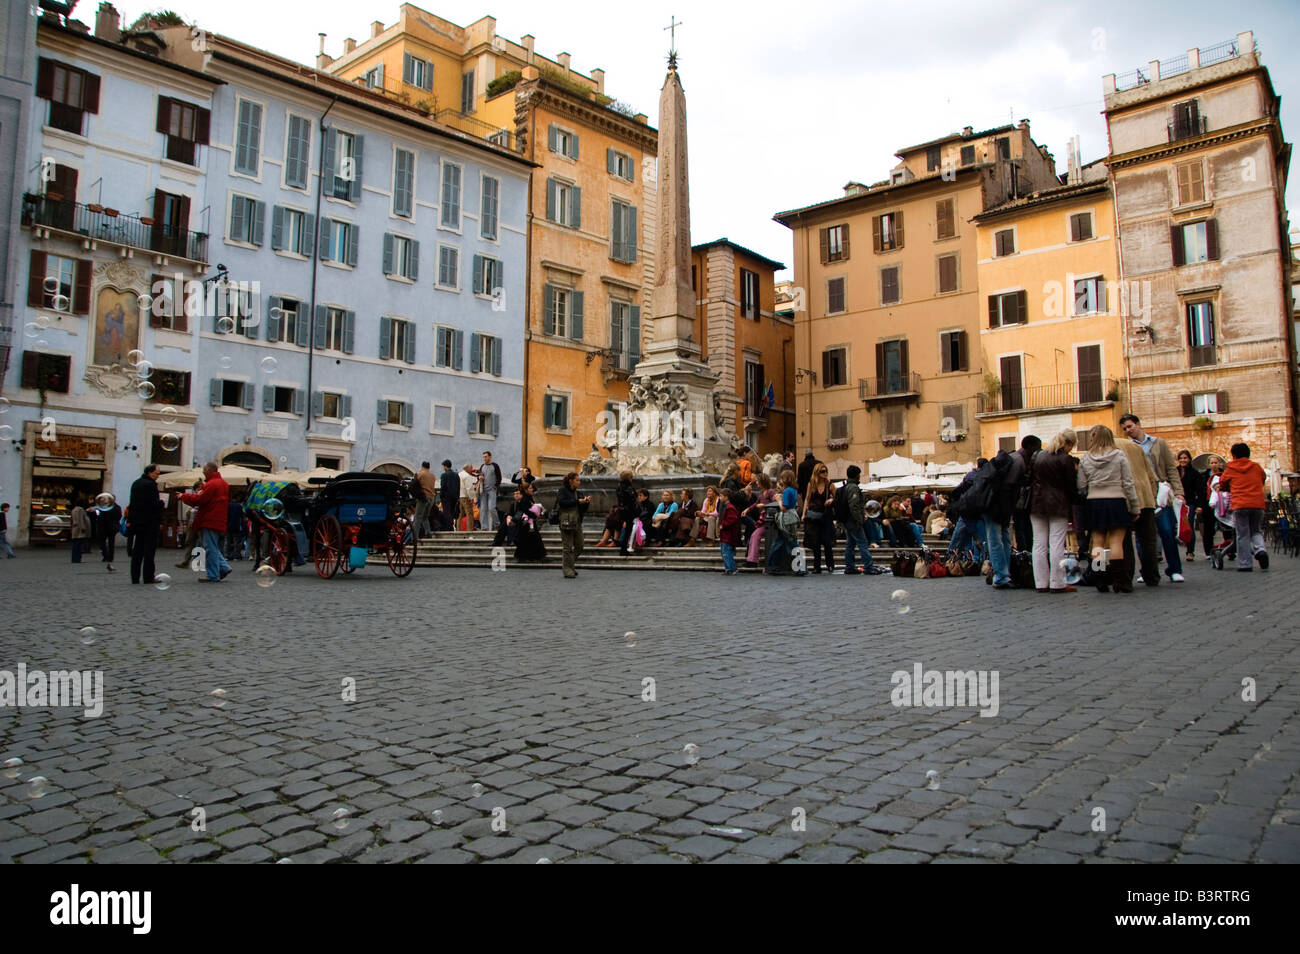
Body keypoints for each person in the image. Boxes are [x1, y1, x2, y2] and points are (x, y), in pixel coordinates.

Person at [1119, 413, 1185, 582]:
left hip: (1161, 490)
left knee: (1167, 531)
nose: (1128, 430)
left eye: (1130, 426)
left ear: (1138, 424)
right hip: (1141, 491)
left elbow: (1171, 468)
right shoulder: (1127, 447)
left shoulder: (1158, 443)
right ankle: (1146, 570)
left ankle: (1174, 569)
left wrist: (1178, 491)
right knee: (1144, 534)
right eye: (1125, 429)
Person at [1077, 425, 1139, 593]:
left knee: (1097, 542)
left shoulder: (1086, 458)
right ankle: (1120, 581)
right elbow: (1128, 483)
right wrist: (1134, 506)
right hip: (1116, 500)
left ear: (1093, 438)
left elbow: (1081, 486)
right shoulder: (1119, 456)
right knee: (1116, 542)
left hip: (1095, 502)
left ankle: (1100, 580)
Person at [1030, 429, 1078, 593]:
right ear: (1069, 443)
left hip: (1037, 503)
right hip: (1058, 504)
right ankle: (1057, 583)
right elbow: (1072, 486)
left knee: (1038, 544)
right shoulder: (1066, 459)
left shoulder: (1039, 456)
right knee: (1057, 544)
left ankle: (1040, 583)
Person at [1117, 437, 1161, 589]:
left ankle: (1122, 577)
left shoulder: (1102, 451)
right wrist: (1153, 496)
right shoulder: (1135, 447)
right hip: (1145, 496)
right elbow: (1151, 475)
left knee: (1119, 542)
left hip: (1117, 500)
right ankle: (1152, 576)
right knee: (1148, 541)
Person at [179, 462, 232, 583]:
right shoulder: (223, 483)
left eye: (204, 470)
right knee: (212, 546)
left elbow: (199, 499)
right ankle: (224, 567)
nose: (203, 472)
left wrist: (183, 496)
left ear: (210, 470)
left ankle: (213, 575)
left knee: (209, 548)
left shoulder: (211, 484)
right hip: (218, 519)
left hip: (209, 519)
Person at [1219, 442, 1268, 571]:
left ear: (1233, 455)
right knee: (1256, 530)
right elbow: (1263, 479)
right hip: (1257, 503)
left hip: (1240, 504)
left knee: (1243, 535)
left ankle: (1245, 564)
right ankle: (1260, 550)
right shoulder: (1256, 467)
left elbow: (1222, 483)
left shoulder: (1230, 469)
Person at [128, 464, 164, 584]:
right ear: (150, 472)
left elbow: (133, 504)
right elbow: (153, 505)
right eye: (156, 474)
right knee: (149, 551)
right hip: (149, 523)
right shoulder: (150, 485)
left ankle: (135, 577)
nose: (158, 476)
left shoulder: (136, 483)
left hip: (137, 522)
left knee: (137, 550)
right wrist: (162, 503)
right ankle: (148, 577)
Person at [839, 465, 877, 575]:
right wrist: (859, 520)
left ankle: (849, 567)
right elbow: (854, 506)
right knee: (862, 543)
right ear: (856, 475)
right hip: (853, 520)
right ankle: (869, 567)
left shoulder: (847, 486)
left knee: (850, 544)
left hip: (847, 520)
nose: (860, 476)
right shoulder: (853, 488)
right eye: (859, 474)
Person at [766, 470, 804, 576]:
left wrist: (778, 499)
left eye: (782, 478)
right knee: (783, 542)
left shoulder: (787, 491)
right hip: (792, 517)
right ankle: (775, 566)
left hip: (786, 519)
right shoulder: (794, 490)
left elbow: (783, 507)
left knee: (789, 543)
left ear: (786, 479)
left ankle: (798, 568)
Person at [801, 462, 835, 573]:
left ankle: (830, 565)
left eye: (826, 471)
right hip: (814, 516)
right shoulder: (811, 484)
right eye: (822, 471)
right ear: (817, 472)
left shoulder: (830, 485)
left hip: (826, 516)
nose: (825, 473)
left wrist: (831, 500)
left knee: (826, 541)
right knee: (815, 542)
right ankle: (817, 567)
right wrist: (803, 513)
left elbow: (837, 498)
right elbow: (807, 498)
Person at [555, 472, 590, 579]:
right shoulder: (562, 491)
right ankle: (568, 570)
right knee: (568, 547)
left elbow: (582, 510)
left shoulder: (579, 493)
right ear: (571, 481)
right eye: (577, 480)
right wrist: (577, 501)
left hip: (577, 521)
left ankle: (569, 565)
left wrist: (586, 502)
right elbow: (562, 502)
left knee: (580, 545)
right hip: (566, 521)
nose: (579, 482)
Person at [1177, 450, 1207, 561]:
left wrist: (1199, 506)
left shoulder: (1194, 473)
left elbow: (1200, 491)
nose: (1182, 460)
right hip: (1176, 502)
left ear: (1189, 459)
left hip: (1189, 503)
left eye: (1185, 458)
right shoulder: (1175, 472)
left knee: (1188, 526)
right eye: (1181, 458)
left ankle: (1190, 551)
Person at [744, 474, 777, 566]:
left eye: (758, 481)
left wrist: (764, 506)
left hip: (771, 521)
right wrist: (747, 509)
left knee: (756, 536)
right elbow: (756, 504)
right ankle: (752, 560)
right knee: (754, 535)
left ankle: (756, 561)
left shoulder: (771, 492)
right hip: (764, 520)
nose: (757, 483)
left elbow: (776, 503)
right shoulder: (761, 493)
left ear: (762, 481)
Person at [1201, 456, 1225, 555]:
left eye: (1216, 462)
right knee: (1208, 529)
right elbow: (1201, 490)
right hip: (1208, 503)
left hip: (1222, 503)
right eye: (1212, 463)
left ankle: (1229, 549)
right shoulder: (1204, 475)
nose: (1214, 465)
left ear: (1220, 464)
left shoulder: (1224, 475)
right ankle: (1209, 551)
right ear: (1209, 464)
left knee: (1225, 526)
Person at [95, 494, 123, 572]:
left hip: (104, 527)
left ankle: (106, 556)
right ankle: (110, 556)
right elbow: (119, 516)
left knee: (103, 542)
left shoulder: (104, 507)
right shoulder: (117, 507)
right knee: (111, 542)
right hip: (112, 527)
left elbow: (99, 516)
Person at [718, 490, 743, 575]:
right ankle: (731, 568)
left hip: (728, 535)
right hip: (726, 535)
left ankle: (730, 569)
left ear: (726, 497)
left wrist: (723, 525)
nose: (720, 498)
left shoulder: (730, 507)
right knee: (726, 553)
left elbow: (732, 518)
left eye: (721, 496)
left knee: (726, 553)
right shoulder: (728, 507)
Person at [478, 451, 502, 532]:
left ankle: (497, 524)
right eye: (483, 457)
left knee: (492, 508)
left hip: (492, 490)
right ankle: (484, 527)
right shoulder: (482, 466)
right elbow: (479, 475)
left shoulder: (495, 466)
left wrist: (495, 486)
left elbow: (499, 477)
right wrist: (480, 477)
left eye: (486, 456)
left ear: (490, 457)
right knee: (483, 509)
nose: (484, 458)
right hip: (483, 490)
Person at [614, 471, 637, 555]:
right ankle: (623, 549)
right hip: (629, 511)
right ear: (628, 478)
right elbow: (632, 499)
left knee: (626, 529)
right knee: (628, 530)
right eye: (631, 477)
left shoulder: (619, 486)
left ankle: (622, 548)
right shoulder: (628, 487)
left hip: (622, 510)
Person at [415, 461, 438, 538]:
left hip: (423, 498)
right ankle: (428, 533)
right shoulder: (433, 475)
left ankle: (415, 536)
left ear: (422, 466)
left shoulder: (421, 474)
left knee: (418, 517)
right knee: (425, 517)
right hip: (431, 498)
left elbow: (415, 484)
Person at [438, 460, 459, 532]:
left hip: (446, 497)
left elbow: (443, 486)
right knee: (452, 512)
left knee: (447, 512)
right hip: (454, 497)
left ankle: (450, 527)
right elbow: (458, 486)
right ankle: (451, 526)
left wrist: (441, 495)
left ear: (445, 466)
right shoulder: (456, 475)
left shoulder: (444, 475)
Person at [70, 498, 91, 564]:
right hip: (79, 530)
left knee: (75, 545)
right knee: (78, 545)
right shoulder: (80, 510)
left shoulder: (74, 510)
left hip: (75, 529)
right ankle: (77, 559)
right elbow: (81, 520)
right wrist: (83, 528)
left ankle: (74, 558)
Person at [457, 462, 477, 530]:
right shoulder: (467, 476)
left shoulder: (459, 474)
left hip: (459, 496)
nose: (472, 469)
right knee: (469, 513)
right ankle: (470, 529)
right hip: (465, 496)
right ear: (468, 468)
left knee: (460, 514)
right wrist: (471, 498)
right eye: (471, 468)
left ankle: (458, 529)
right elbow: (469, 488)